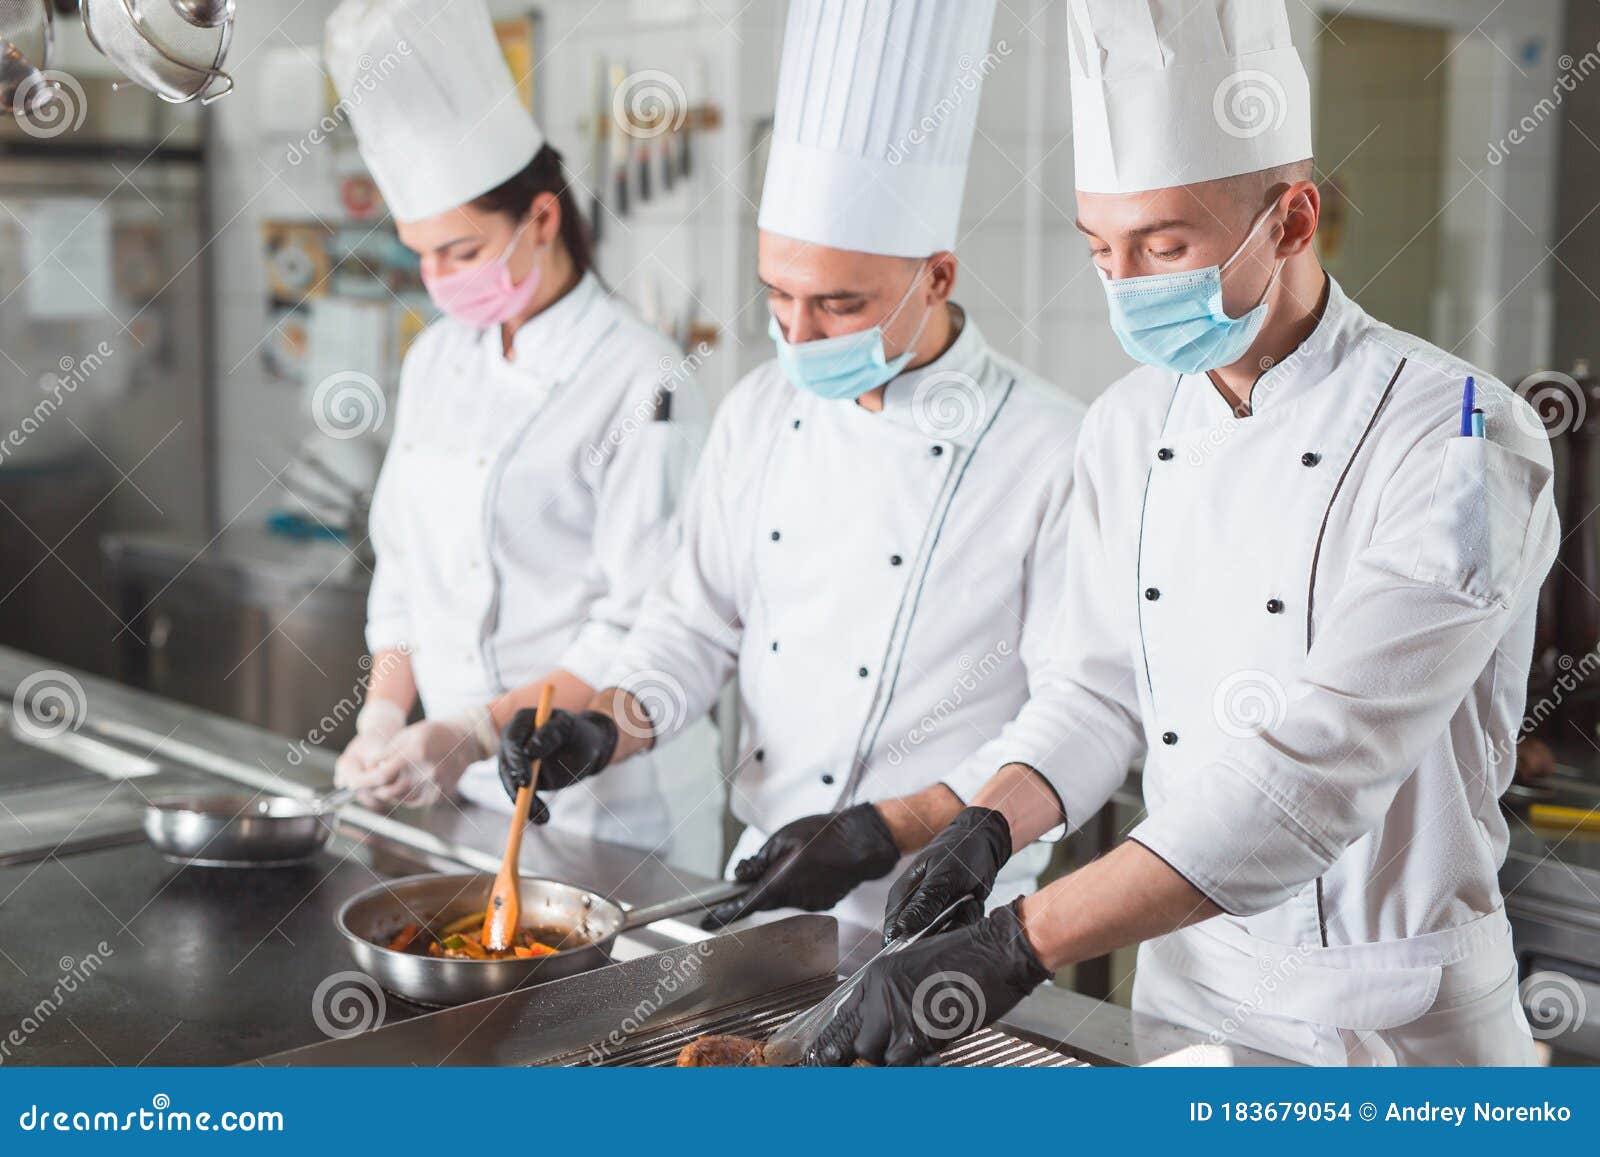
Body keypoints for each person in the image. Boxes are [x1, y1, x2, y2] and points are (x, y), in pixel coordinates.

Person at [810, 0, 1558, 1067]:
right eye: (1104, 249)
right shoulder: (1126, 423)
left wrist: (1018, 940)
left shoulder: (1460, 434)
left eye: (1165, 244)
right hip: (1187, 995)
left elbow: (1313, 774)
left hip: (1390, 1022)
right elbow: (1097, 685)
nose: (1130, 286)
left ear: (1294, 220)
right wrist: (991, 817)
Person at [496, 0, 1084, 943]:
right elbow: (695, 621)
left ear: (937, 275)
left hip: (958, 915)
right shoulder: (762, 410)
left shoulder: (1053, 447)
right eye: (779, 296)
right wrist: (605, 722)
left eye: (841, 305)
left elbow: (1073, 713)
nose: (798, 337)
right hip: (765, 883)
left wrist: (888, 827)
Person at [324, 0, 717, 867]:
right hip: (458, 792)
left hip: (609, 808)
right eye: (420, 254)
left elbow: (638, 621)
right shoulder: (436, 360)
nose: (437, 281)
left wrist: (471, 727)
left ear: (541, 219)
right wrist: (387, 716)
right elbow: (402, 572)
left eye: (461, 252)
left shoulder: (640, 377)